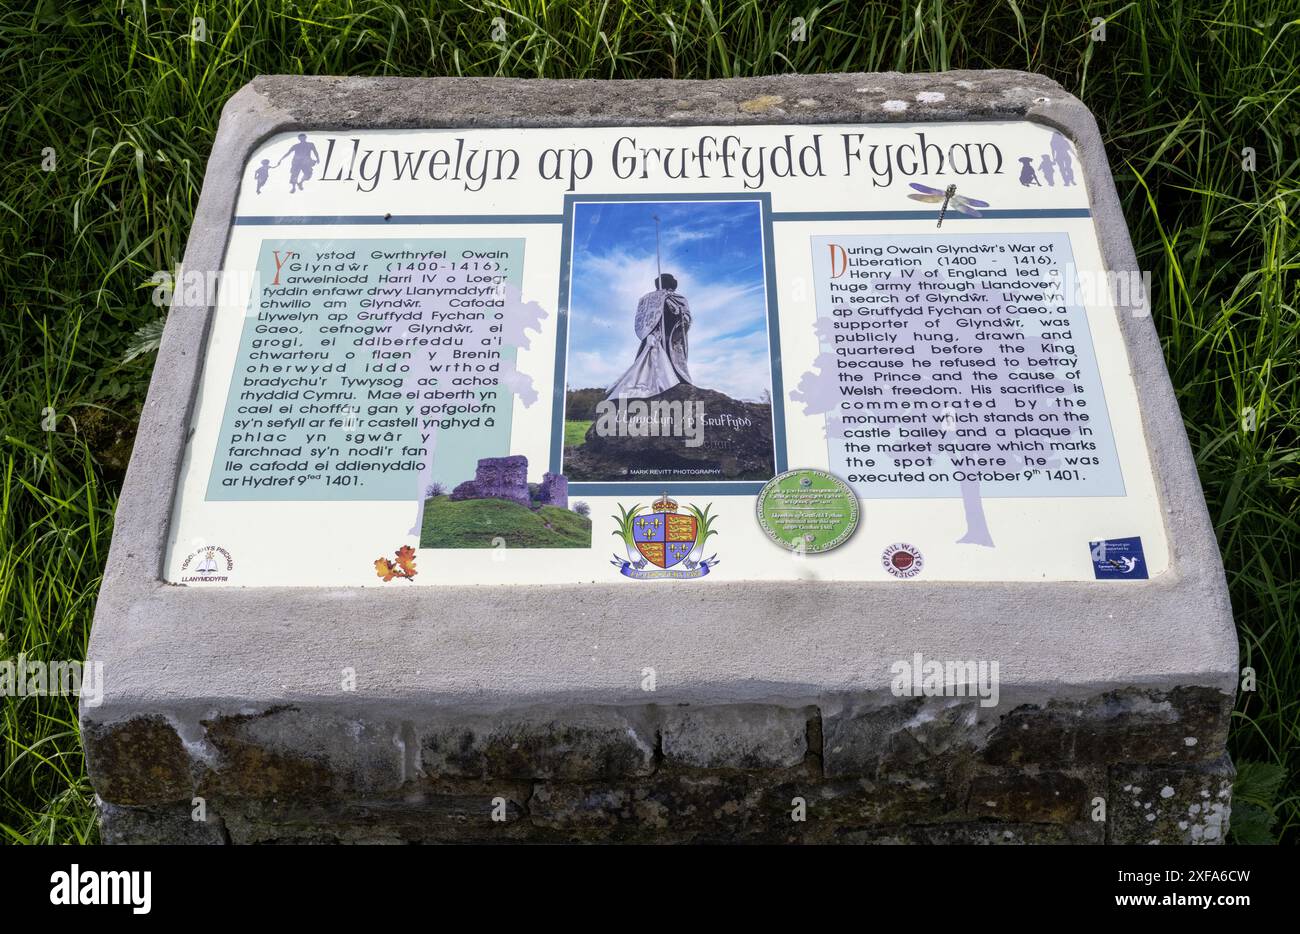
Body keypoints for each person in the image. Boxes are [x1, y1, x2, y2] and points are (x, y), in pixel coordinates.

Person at [605, 273, 692, 400]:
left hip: (671, 335)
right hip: (655, 335)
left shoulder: (676, 298)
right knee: (653, 361)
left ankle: (675, 381)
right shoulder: (649, 299)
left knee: (668, 360)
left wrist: (676, 311)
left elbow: (686, 317)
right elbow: (645, 319)